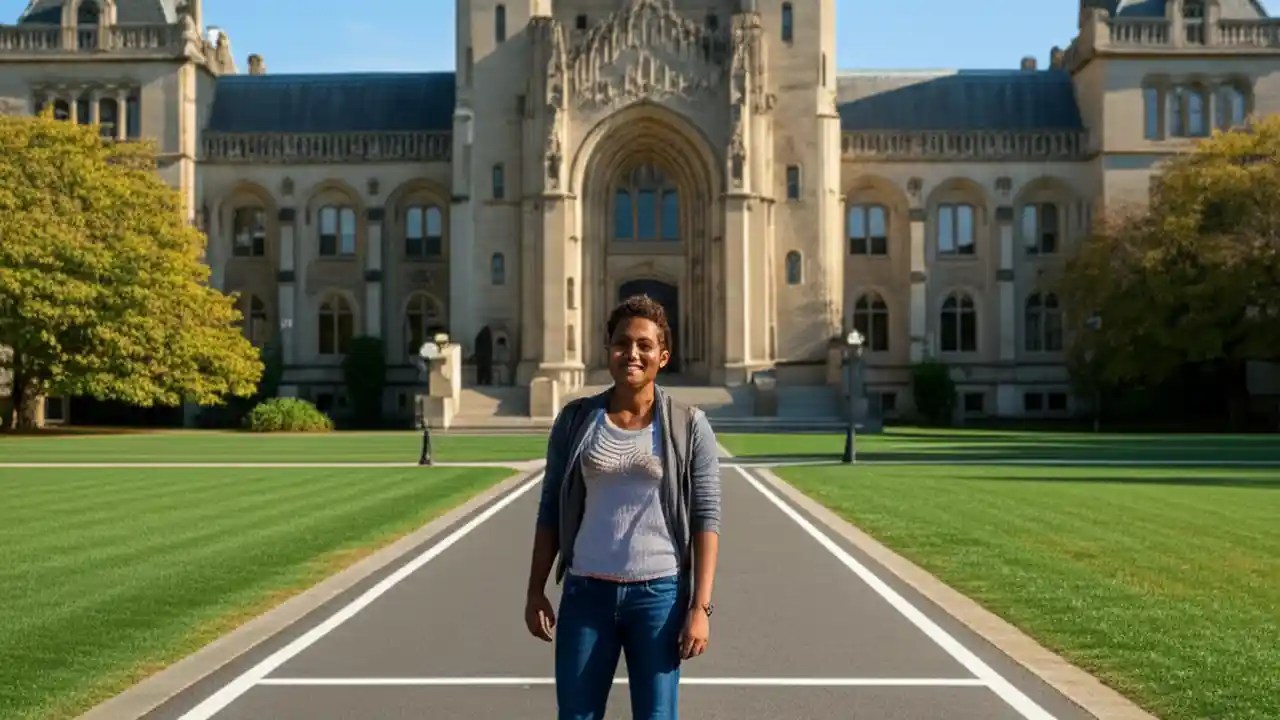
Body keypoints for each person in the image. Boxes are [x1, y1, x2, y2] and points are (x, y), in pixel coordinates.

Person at [524, 294, 722, 720]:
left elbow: (706, 517)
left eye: (644, 345)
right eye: (621, 343)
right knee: (576, 715)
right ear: (608, 350)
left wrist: (700, 607)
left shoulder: (689, 424)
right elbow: (550, 507)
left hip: (658, 597)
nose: (632, 353)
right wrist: (535, 589)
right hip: (586, 594)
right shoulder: (576, 420)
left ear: (662, 356)